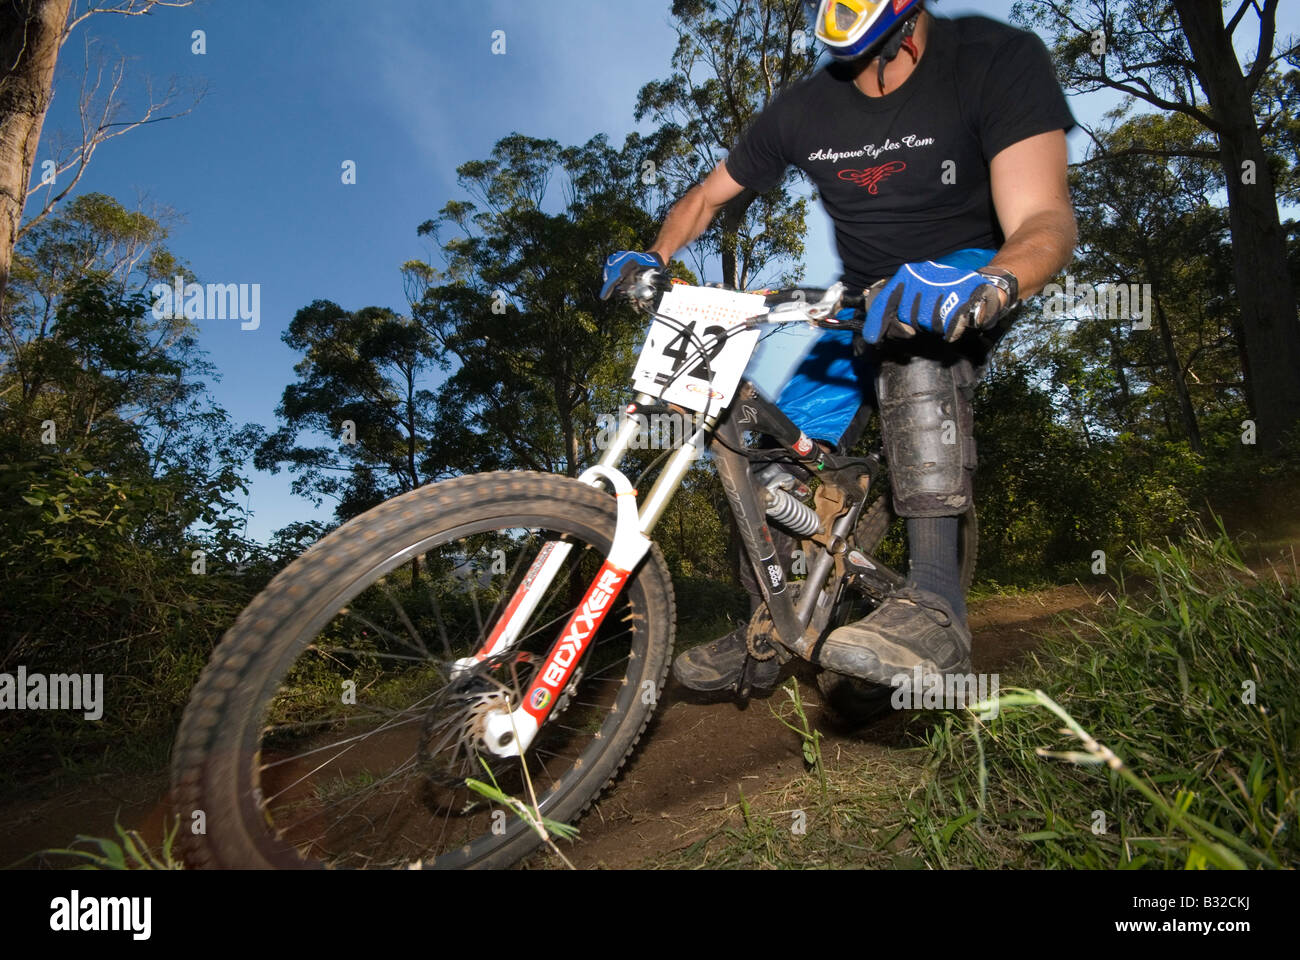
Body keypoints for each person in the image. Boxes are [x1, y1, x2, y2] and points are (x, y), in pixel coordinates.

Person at [601, 0, 1077, 694]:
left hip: (963, 269)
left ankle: (937, 602)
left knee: (911, 340)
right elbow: (708, 198)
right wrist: (653, 255)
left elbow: (1044, 218)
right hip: (856, 298)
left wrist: (994, 278)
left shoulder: (993, 59)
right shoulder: (803, 110)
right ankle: (773, 617)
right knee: (758, 446)